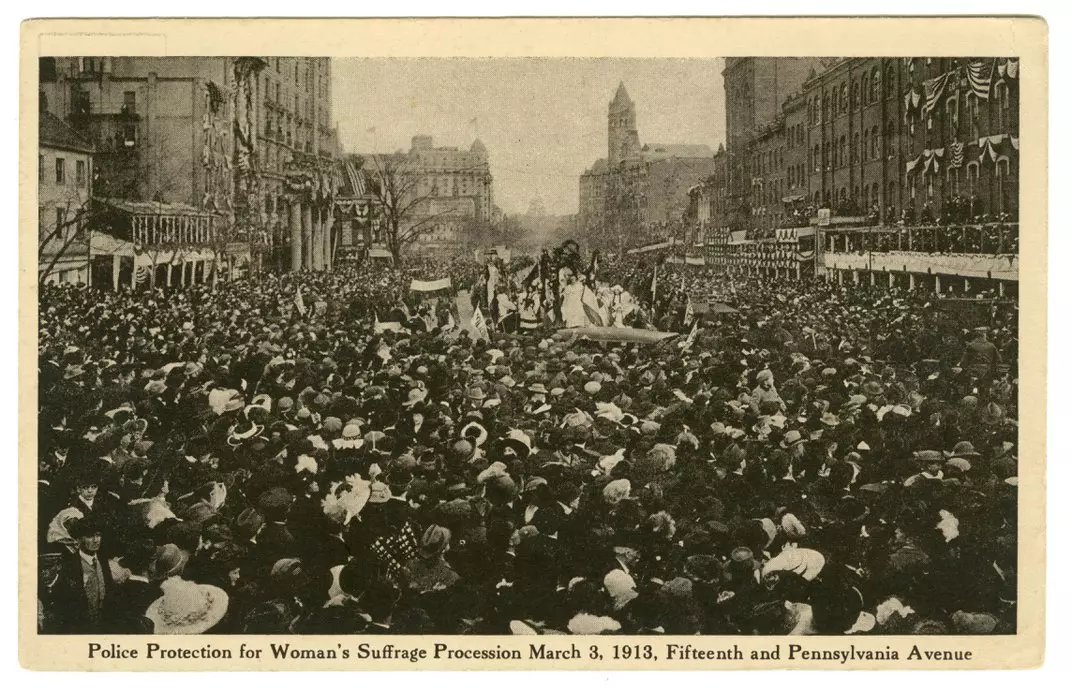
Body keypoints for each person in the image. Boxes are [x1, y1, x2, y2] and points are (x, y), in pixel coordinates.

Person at [49, 515, 113, 633]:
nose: (95, 540)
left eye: (98, 535)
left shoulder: (103, 561)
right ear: (78, 540)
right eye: (89, 536)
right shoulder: (69, 564)